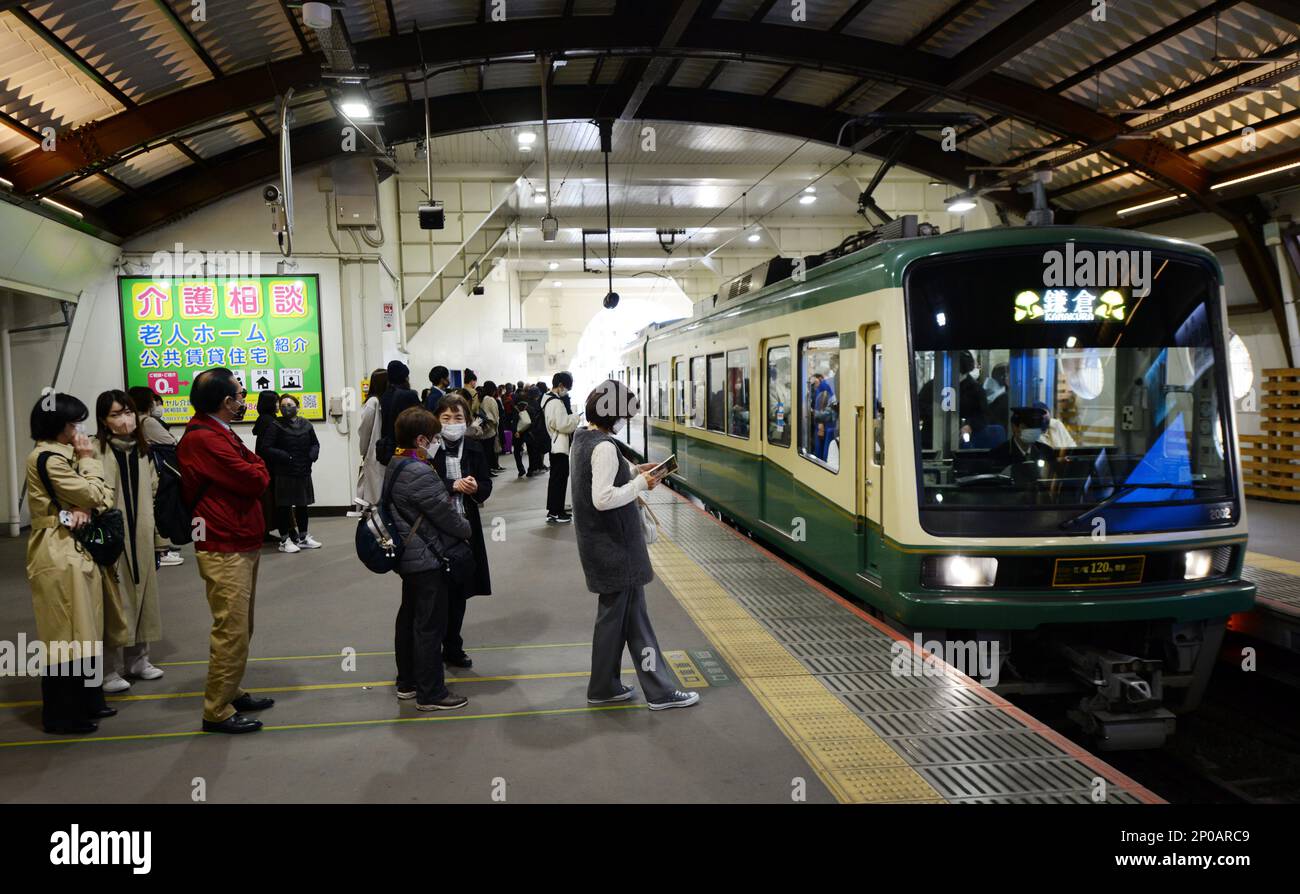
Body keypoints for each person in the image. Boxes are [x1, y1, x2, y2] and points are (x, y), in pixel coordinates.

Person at [571, 379, 700, 711]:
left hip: (600, 546)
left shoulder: (584, 438)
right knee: (636, 622)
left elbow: (599, 477)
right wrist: (640, 483)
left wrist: (632, 472)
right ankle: (660, 691)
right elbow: (602, 498)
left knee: (613, 620)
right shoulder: (603, 446)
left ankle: (603, 687)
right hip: (616, 548)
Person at [178, 368, 274, 734]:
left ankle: (231, 690)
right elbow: (256, 477)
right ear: (225, 401)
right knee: (230, 628)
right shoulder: (205, 439)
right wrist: (257, 466)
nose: (243, 399)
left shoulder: (218, 431)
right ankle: (216, 709)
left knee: (241, 625)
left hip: (239, 538)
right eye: (239, 393)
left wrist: (255, 465)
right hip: (223, 542)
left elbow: (253, 470)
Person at [25, 393, 117, 735]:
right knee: (65, 634)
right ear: (58, 426)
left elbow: (99, 498)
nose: (79, 429)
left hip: (74, 549)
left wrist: (89, 498)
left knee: (86, 629)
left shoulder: (65, 457)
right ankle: (63, 714)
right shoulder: (50, 459)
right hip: (58, 552)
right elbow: (95, 495)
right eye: (73, 423)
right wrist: (89, 462)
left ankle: (89, 700)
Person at [387, 407, 473, 711]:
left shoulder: (397, 464)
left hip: (410, 558)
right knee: (429, 626)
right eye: (435, 436)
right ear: (422, 439)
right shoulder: (419, 472)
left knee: (409, 619)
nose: (438, 441)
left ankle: (407, 683)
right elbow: (446, 516)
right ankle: (431, 693)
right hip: (427, 559)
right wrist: (467, 529)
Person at [94, 390, 164, 694]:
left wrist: (160, 540)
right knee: (114, 602)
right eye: (115, 414)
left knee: (143, 594)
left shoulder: (142, 450)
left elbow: (155, 494)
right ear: (103, 420)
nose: (124, 420)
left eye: (127, 413)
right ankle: (107, 669)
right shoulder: (95, 452)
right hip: (111, 539)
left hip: (142, 536)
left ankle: (138, 660)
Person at [430, 394, 493, 668]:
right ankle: (432, 647)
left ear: (466, 419)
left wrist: (476, 487)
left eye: (458, 418)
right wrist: (451, 485)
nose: (452, 423)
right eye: (446, 418)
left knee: (460, 589)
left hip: (465, 526)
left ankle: (453, 646)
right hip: (435, 528)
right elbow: (423, 485)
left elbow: (486, 483)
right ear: (436, 420)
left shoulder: (475, 447)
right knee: (435, 590)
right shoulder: (429, 447)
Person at [129, 385, 183, 567]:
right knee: (159, 503)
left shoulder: (134, 421)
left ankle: (160, 548)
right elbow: (170, 441)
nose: (155, 404)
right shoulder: (148, 422)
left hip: (143, 469)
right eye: (153, 400)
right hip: (156, 469)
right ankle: (162, 550)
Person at [262, 393, 321, 552]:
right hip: (284, 473)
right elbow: (266, 448)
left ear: (297, 406)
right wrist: (284, 456)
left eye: (290, 405)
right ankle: (284, 540)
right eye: (283, 405)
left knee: (302, 506)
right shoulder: (276, 425)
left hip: (303, 471)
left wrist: (312, 455)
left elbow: (315, 443)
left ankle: (303, 537)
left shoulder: (306, 424)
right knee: (284, 507)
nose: (286, 408)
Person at [986, 406, 1062, 484]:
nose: (1033, 432)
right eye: (1027, 427)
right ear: (1015, 427)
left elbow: (1053, 483)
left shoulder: (1047, 452)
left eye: (1036, 428)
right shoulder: (999, 454)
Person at [542, 371, 581, 524]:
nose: (566, 391)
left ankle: (555, 510)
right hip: (559, 446)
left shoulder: (547, 398)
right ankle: (555, 512)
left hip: (555, 444)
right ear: (560, 385)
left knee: (556, 479)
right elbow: (563, 425)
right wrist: (576, 418)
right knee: (559, 479)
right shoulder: (556, 403)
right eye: (566, 388)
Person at [251, 389, 280, 541]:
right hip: (269, 466)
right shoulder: (268, 421)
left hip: (266, 465)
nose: (278, 405)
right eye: (276, 401)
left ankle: (266, 531)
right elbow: (266, 448)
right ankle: (265, 532)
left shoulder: (265, 419)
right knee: (269, 501)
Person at [356, 368, 388, 504]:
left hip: (374, 453)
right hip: (378, 452)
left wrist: (363, 451)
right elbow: (366, 429)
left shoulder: (373, 402)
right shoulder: (376, 402)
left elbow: (364, 431)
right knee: (376, 492)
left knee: (374, 492)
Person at [381, 360, 421, 448]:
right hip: (407, 446)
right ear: (405, 378)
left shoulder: (385, 395)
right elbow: (420, 420)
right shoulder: (409, 395)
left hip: (389, 446)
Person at [809, 372, 837, 463]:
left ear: (820, 378)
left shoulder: (824, 391)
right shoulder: (818, 390)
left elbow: (823, 407)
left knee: (822, 450)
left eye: (815, 380)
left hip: (824, 426)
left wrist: (821, 425)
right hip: (822, 423)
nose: (814, 383)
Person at [478, 380, 503, 474]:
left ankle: (487, 470)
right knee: (489, 451)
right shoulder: (491, 399)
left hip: (484, 428)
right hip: (491, 428)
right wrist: (497, 425)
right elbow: (495, 414)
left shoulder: (483, 398)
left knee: (486, 451)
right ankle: (488, 470)